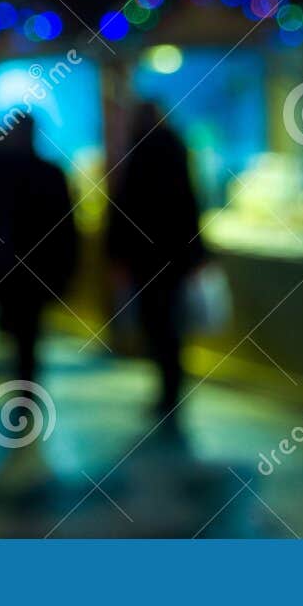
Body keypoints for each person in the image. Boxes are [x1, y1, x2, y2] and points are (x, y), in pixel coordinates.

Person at [105, 101, 203, 417]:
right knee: (169, 321)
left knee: (157, 321)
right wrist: (195, 252)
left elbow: (124, 207)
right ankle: (171, 387)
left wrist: (117, 251)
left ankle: (168, 388)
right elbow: (189, 203)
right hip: (171, 254)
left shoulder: (139, 153)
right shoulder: (174, 149)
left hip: (146, 256)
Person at [0, 114, 77, 385]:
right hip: (24, 269)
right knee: (26, 331)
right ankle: (25, 387)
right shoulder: (45, 174)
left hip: (20, 269)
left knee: (24, 332)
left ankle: (24, 387)